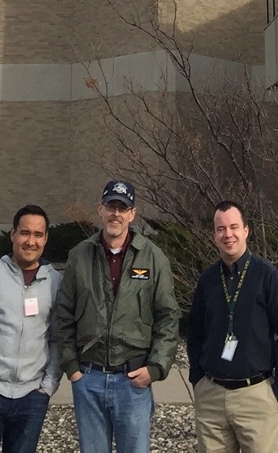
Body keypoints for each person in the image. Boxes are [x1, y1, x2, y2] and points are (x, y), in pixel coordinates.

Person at [56, 179, 179, 453]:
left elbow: (168, 317)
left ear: (132, 214)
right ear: (100, 209)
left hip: (133, 381)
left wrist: (156, 367)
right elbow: (63, 314)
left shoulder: (153, 258)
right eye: (111, 206)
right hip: (89, 379)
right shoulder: (80, 256)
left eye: (123, 208)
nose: (116, 214)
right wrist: (72, 367)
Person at [186, 201, 278, 453]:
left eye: (234, 227)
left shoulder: (266, 275)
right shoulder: (208, 280)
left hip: (256, 395)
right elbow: (195, 333)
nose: (228, 234)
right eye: (221, 229)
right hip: (212, 396)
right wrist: (197, 379)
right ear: (214, 235)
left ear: (246, 230)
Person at [0, 203, 63, 453]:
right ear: (13, 234)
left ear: (46, 239)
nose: (31, 241)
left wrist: (47, 386)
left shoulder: (55, 283)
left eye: (38, 235)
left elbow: (58, 338)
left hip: (32, 398)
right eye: (25, 233)